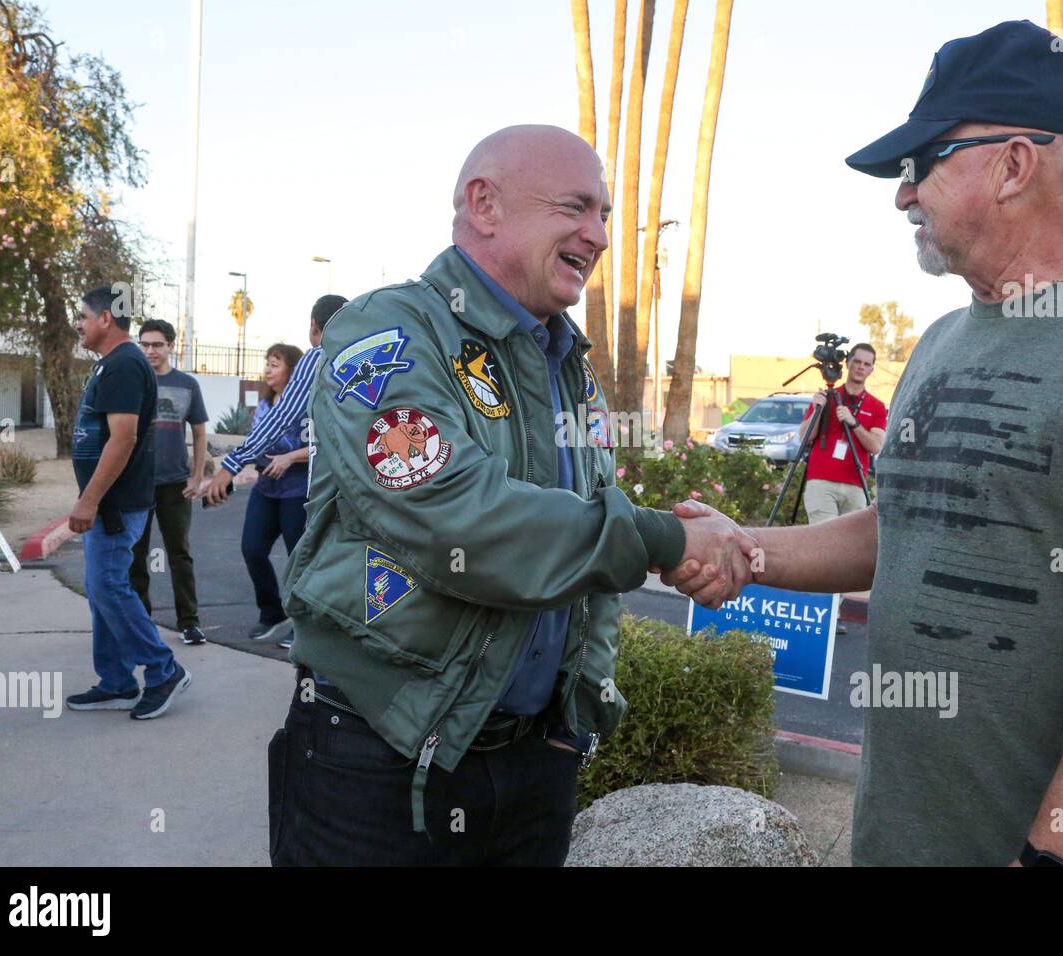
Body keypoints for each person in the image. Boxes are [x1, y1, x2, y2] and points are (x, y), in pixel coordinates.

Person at [665, 21, 1063, 867]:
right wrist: (743, 547)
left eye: (921, 163)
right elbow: (902, 524)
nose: (903, 195)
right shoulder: (941, 341)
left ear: (1013, 165)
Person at [270, 124, 755, 866]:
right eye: (575, 208)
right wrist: (668, 539)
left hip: (530, 767)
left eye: (604, 216)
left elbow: (584, 552)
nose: (597, 236)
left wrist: (572, 725)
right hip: (376, 757)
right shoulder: (388, 331)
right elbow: (455, 516)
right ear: (484, 204)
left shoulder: (567, 365)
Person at [65, 287, 191, 720]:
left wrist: (90, 500)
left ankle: (163, 669)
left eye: (82, 316)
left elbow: (124, 438)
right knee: (103, 589)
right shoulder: (115, 364)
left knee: (108, 586)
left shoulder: (123, 364)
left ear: (104, 319)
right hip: (109, 504)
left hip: (114, 505)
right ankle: (117, 681)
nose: (78, 324)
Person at [202, 294, 348, 506]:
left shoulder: (318, 356)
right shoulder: (368, 357)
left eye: (275, 364)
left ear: (313, 324)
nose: (268, 370)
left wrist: (232, 464)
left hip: (306, 485)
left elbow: (282, 417)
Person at [130, 318, 208, 645]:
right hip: (135, 484)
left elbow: (200, 432)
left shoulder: (187, 385)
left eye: (158, 345)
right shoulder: (131, 382)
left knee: (180, 554)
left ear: (170, 347)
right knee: (136, 555)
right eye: (145, 344)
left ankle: (189, 622)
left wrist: (197, 475)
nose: (151, 351)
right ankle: (139, 622)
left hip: (175, 484)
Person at [240, 343, 310, 644]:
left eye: (275, 364)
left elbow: (320, 445)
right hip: (266, 487)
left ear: (292, 370)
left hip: (298, 489)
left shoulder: (307, 403)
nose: (268, 369)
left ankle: (304, 625)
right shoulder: (266, 404)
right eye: (267, 363)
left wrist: (290, 458)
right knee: (252, 549)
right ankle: (271, 612)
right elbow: (255, 442)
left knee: (299, 560)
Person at [796, 343, 887, 523]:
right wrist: (818, 410)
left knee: (852, 545)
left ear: (871, 369)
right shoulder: (828, 396)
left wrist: (854, 423)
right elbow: (804, 437)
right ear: (847, 363)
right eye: (857, 361)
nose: (861, 367)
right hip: (821, 480)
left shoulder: (876, 406)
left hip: (855, 483)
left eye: (867, 364)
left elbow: (876, 446)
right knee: (824, 539)